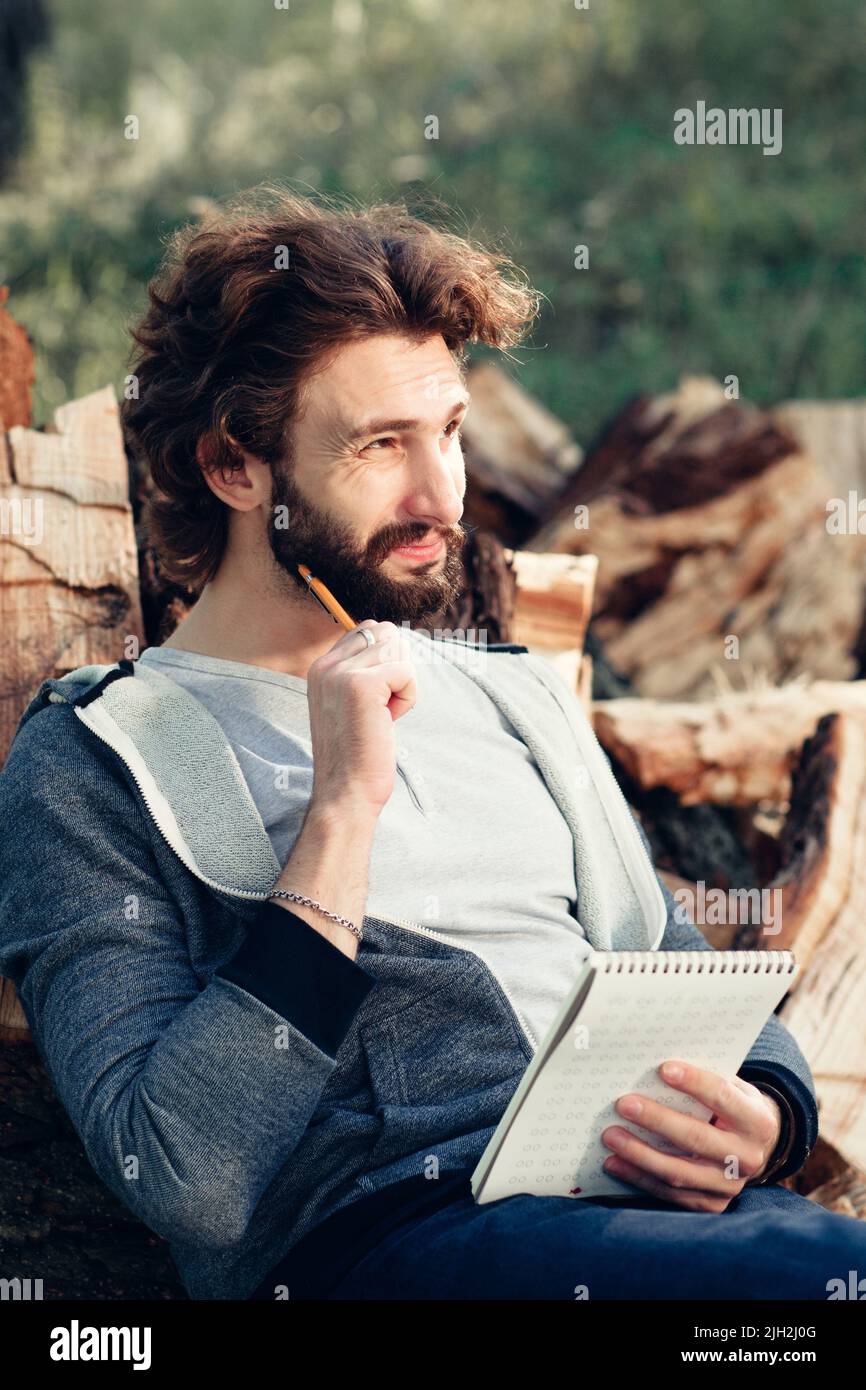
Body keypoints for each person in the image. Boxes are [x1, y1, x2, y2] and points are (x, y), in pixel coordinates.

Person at [0, 188, 859, 1301]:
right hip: (400, 1245)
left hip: (674, 1233)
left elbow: (678, 961)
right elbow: (183, 1175)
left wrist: (768, 1112)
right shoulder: (95, 762)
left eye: (448, 431)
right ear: (233, 467)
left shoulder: (508, 697)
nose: (438, 493)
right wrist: (341, 812)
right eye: (378, 446)